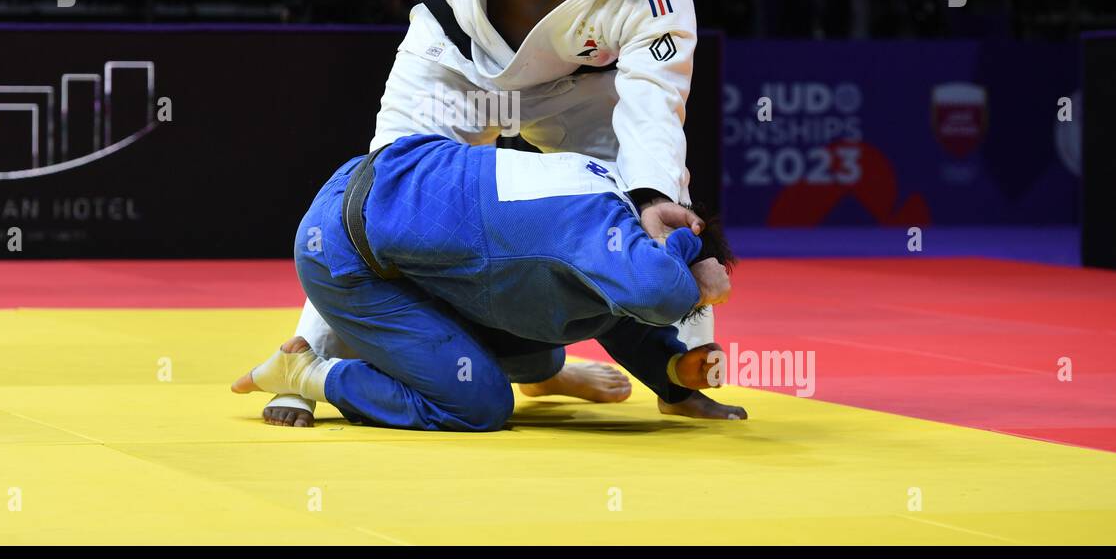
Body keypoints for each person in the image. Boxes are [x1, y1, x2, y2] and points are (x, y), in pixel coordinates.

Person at [266, 0, 709, 427]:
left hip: (561, 91)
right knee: (384, 203)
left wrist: (653, 192)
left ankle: (672, 372)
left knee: (647, 203)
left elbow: (655, 103)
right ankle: (305, 361)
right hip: (451, 58)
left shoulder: (662, 0)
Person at [232, 134, 745, 431]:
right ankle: (303, 374)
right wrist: (694, 278)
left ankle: (533, 372)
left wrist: (676, 378)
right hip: (345, 255)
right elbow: (656, 291)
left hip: (383, 185)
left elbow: (624, 311)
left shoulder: (612, 194)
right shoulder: (597, 224)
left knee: (544, 349)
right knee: (479, 403)